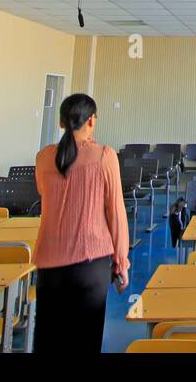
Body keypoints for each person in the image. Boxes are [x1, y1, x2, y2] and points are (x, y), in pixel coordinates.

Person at [33, 93, 129, 353]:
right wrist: (121, 261)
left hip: (49, 265)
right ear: (91, 121)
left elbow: (45, 191)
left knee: (49, 338)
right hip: (90, 263)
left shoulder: (43, 158)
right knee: (85, 339)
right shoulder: (104, 156)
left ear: (62, 123)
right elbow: (116, 212)